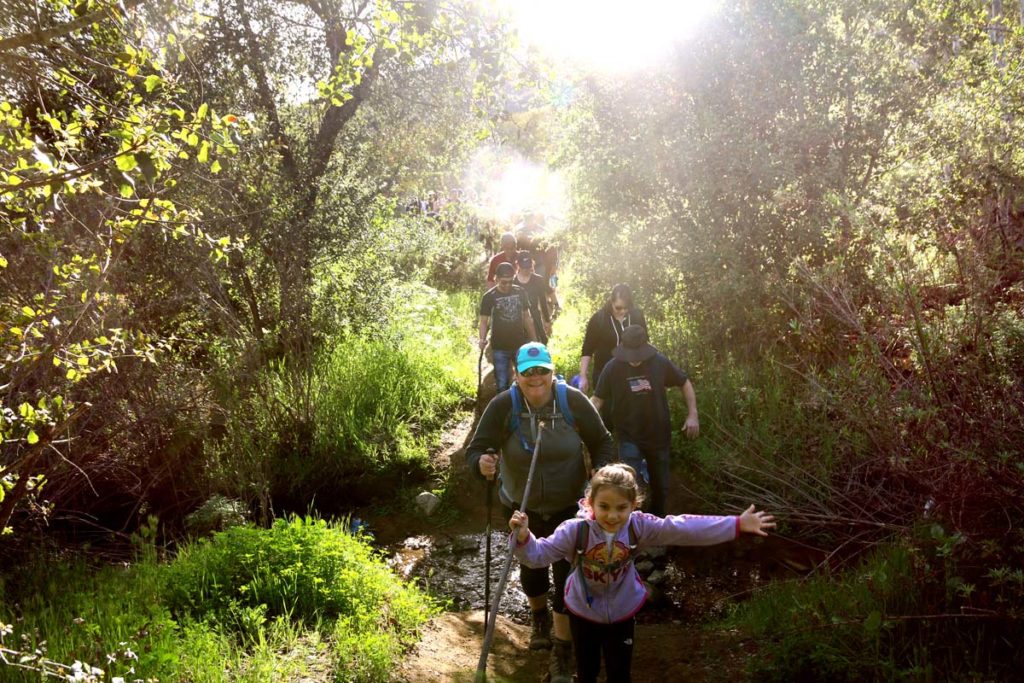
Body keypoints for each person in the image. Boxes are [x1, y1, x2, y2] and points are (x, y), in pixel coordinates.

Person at [510, 464, 775, 683]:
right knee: (587, 672)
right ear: (590, 503)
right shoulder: (575, 531)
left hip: (623, 612)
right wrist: (523, 536)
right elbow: (538, 555)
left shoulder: (640, 527)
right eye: (604, 507)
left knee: (619, 674)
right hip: (582, 612)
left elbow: (684, 528)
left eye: (621, 508)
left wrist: (737, 524)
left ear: (634, 505)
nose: (612, 516)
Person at [467, 343, 615, 683]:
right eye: (528, 371)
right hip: (521, 505)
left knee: (566, 575)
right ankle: (538, 620)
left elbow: (602, 441)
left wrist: (602, 475)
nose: (536, 378)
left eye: (542, 371)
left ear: (552, 372)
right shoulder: (503, 405)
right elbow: (477, 449)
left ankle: (562, 651)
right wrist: (482, 463)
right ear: (516, 374)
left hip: (570, 506)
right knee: (531, 568)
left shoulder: (571, 401)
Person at [591, 325, 699, 518]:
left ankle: (656, 524)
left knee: (661, 486)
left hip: (658, 434)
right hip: (628, 435)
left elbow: (684, 382)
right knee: (629, 486)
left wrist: (693, 415)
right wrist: (584, 426)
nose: (634, 360)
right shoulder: (613, 367)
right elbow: (597, 400)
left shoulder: (659, 362)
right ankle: (632, 529)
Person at [578, 284, 646, 395]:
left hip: (633, 374)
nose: (623, 311)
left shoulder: (637, 316)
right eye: (618, 307)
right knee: (608, 409)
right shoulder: (598, 319)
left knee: (634, 409)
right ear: (611, 302)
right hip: (605, 375)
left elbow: (645, 343)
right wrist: (583, 376)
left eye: (626, 307)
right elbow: (587, 349)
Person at [479, 262, 536, 393]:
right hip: (500, 346)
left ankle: (523, 408)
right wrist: (482, 339)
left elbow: (527, 318)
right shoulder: (489, 297)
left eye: (510, 282)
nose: (507, 285)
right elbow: (483, 321)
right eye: (504, 282)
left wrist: (534, 340)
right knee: (502, 383)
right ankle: (504, 410)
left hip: (519, 344)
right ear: (496, 279)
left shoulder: (520, 292)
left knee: (524, 379)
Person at [515, 252, 553, 345]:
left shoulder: (538, 280)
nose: (526, 270)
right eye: (523, 267)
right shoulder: (512, 281)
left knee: (540, 344)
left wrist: (547, 321)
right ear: (518, 265)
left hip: (535, 318)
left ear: (532, 264)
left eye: (528, 267)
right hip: (518, 321)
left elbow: (543, 301)